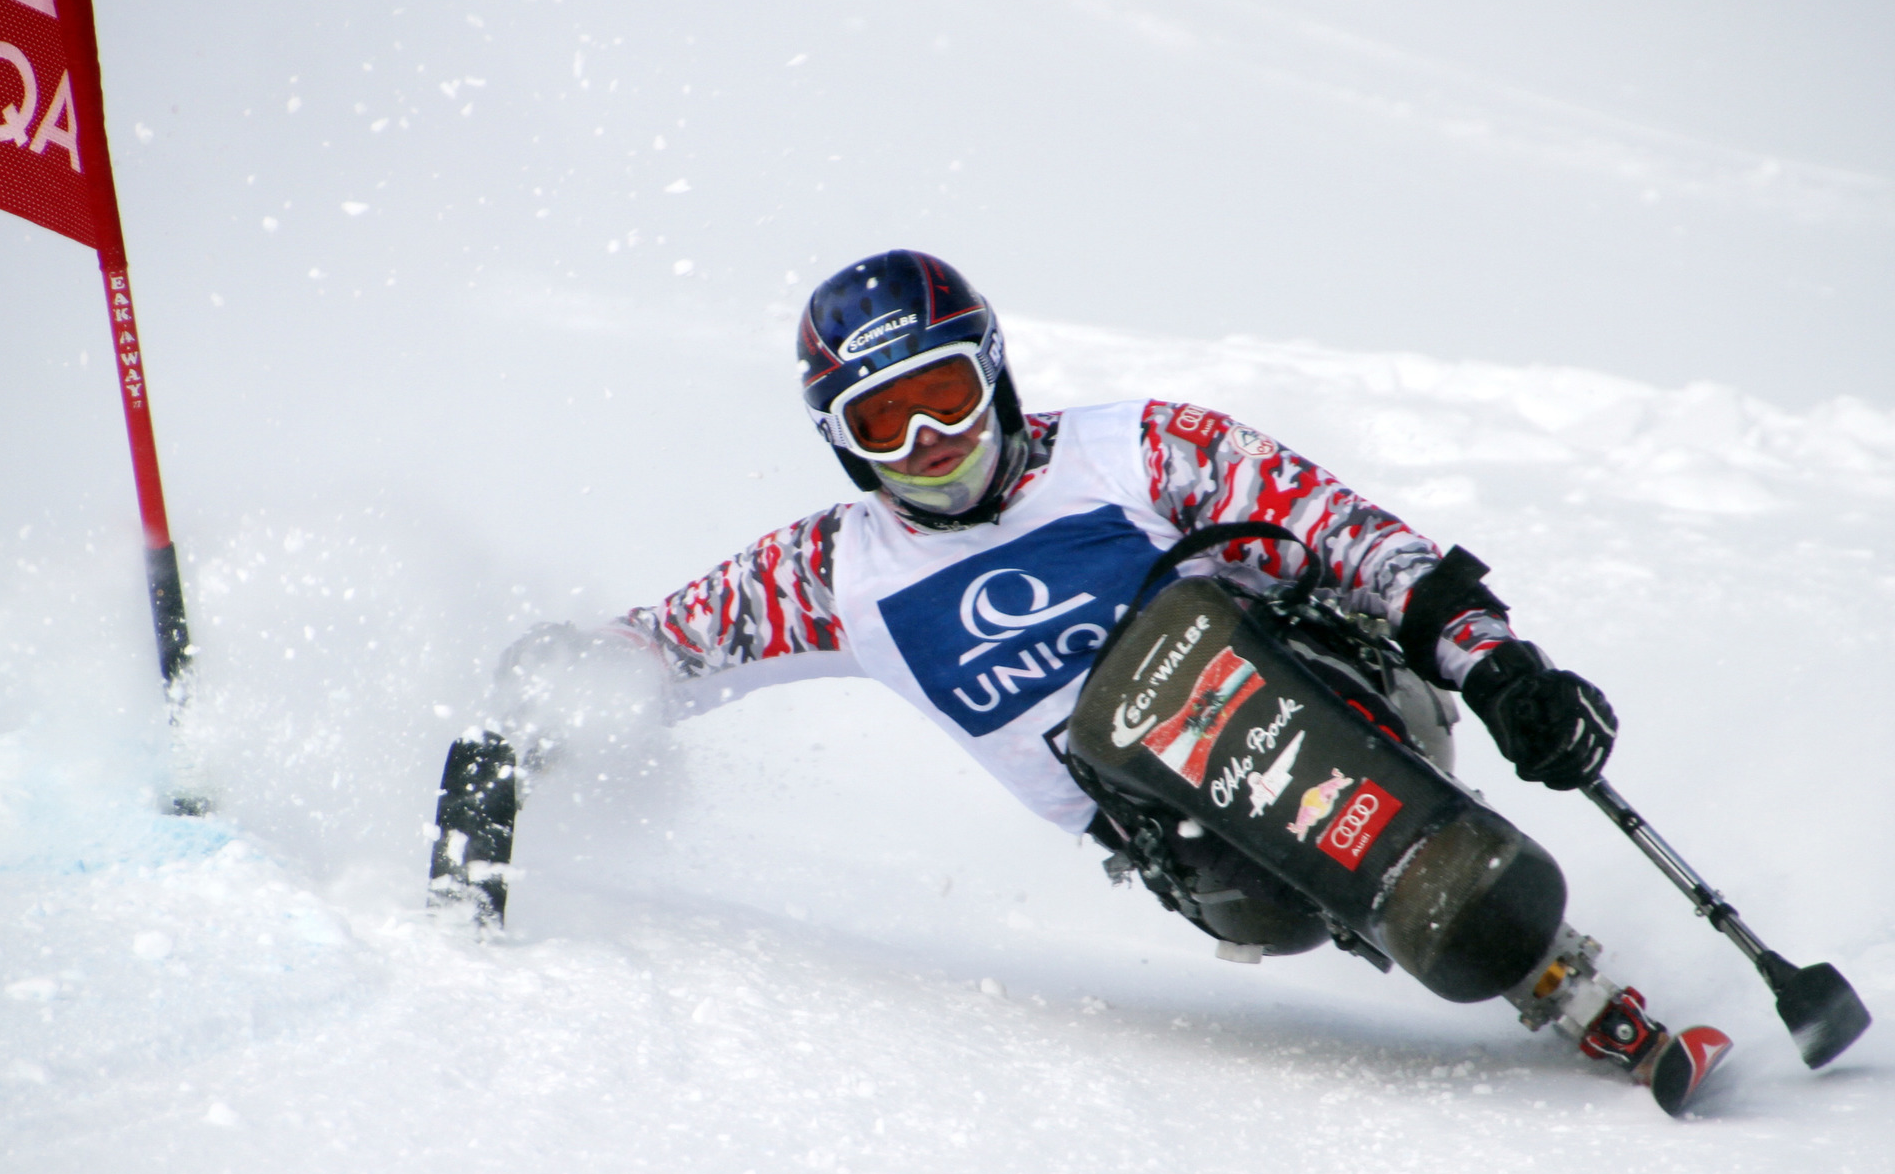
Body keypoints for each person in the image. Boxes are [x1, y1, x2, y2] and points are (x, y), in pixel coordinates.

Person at [429, 249, 1701, 1095]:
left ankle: (1534, 954)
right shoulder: (834, 573)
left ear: (993, 370)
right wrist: (529, 713)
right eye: (884, 424)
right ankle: (1472, 924)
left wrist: (1494, 665)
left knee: (1184, 662)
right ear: (841, 444)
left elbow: (1349, 535)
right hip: (1199, 848)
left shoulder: (1135, 450)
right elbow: (655, 649)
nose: (931, 444)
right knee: (1148, 727)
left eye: (944, 395)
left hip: (1343, 703)